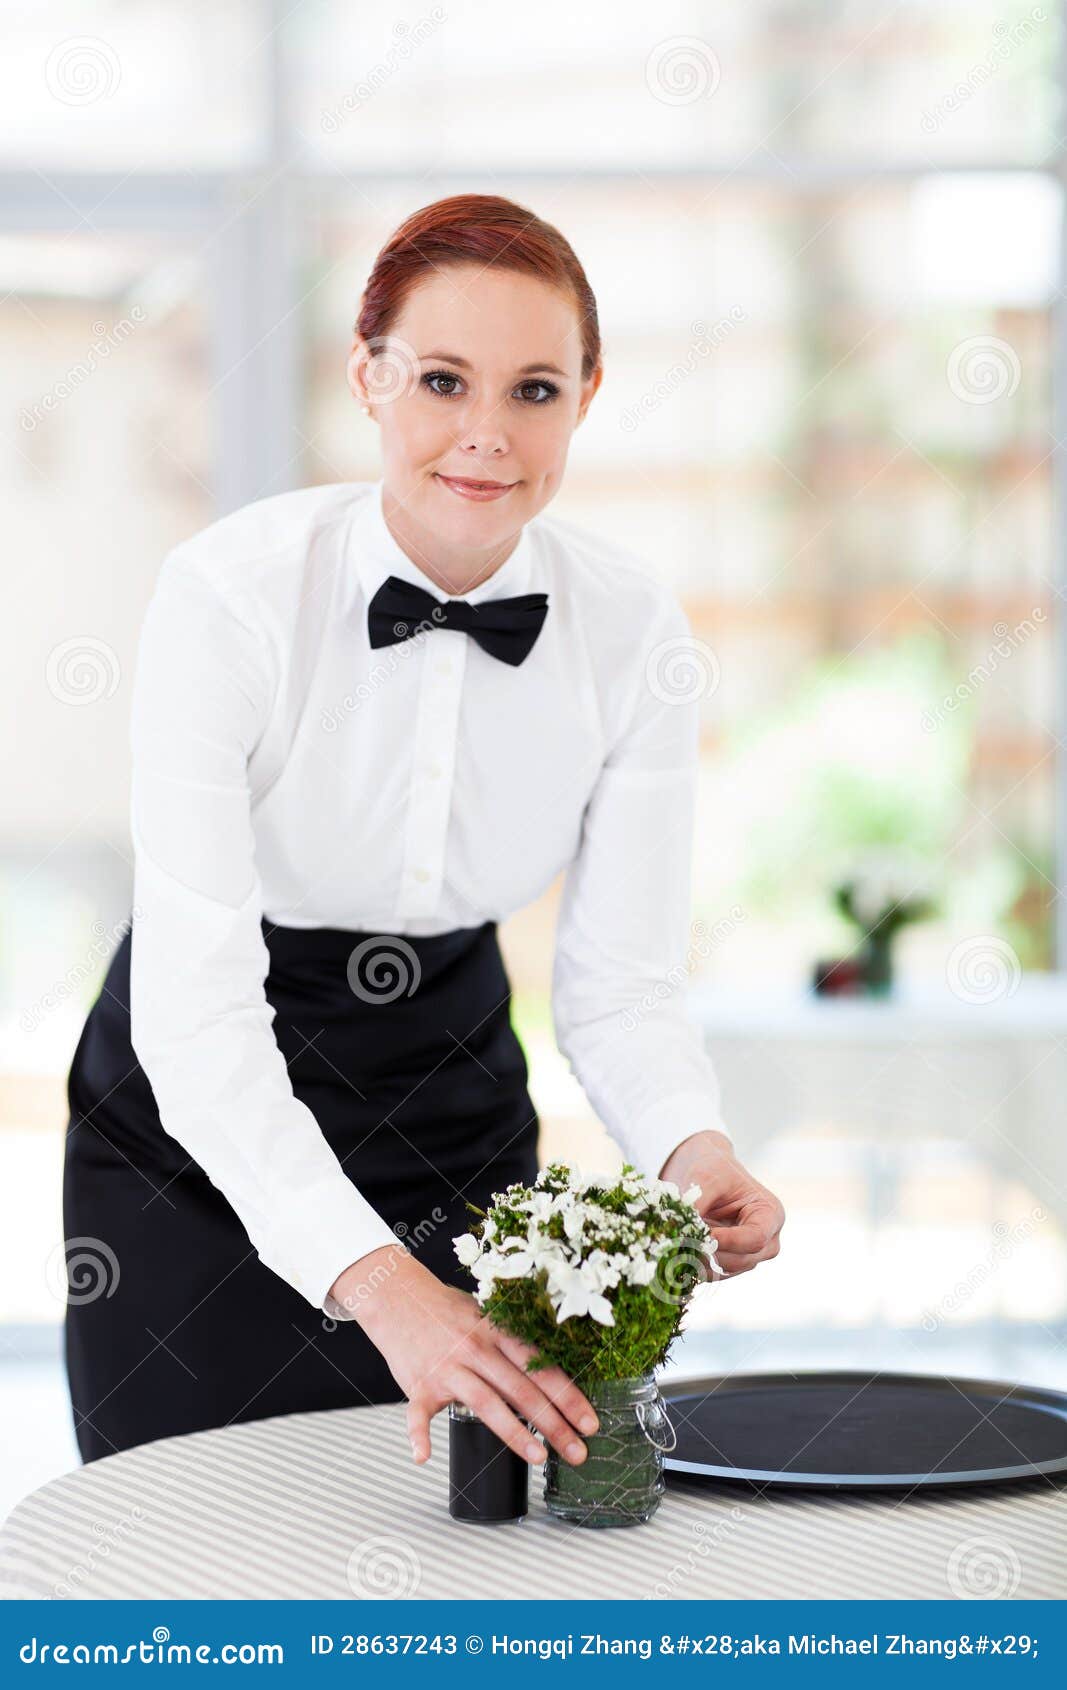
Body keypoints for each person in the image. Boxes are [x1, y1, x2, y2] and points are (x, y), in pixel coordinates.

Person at [62, 192, 785, 1472]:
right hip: (197, 1115)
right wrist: (384, 1290)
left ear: (587, 397)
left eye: (535, 389)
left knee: (462, 1536)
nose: (486, 437)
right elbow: (198, 1016)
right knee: (181, 1538)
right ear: (368, 375)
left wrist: (693, 1145)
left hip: (451, 1091)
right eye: (443, 380)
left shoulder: (632, 633)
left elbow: (617, 985)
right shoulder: (225, 600)